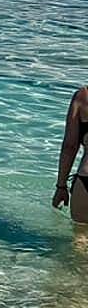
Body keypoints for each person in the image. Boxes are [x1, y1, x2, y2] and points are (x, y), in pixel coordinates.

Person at [53, 86, 88, 223]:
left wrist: (61, 186)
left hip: (86, 179)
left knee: (80, 239)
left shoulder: (83, 95)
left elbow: (70, 146)